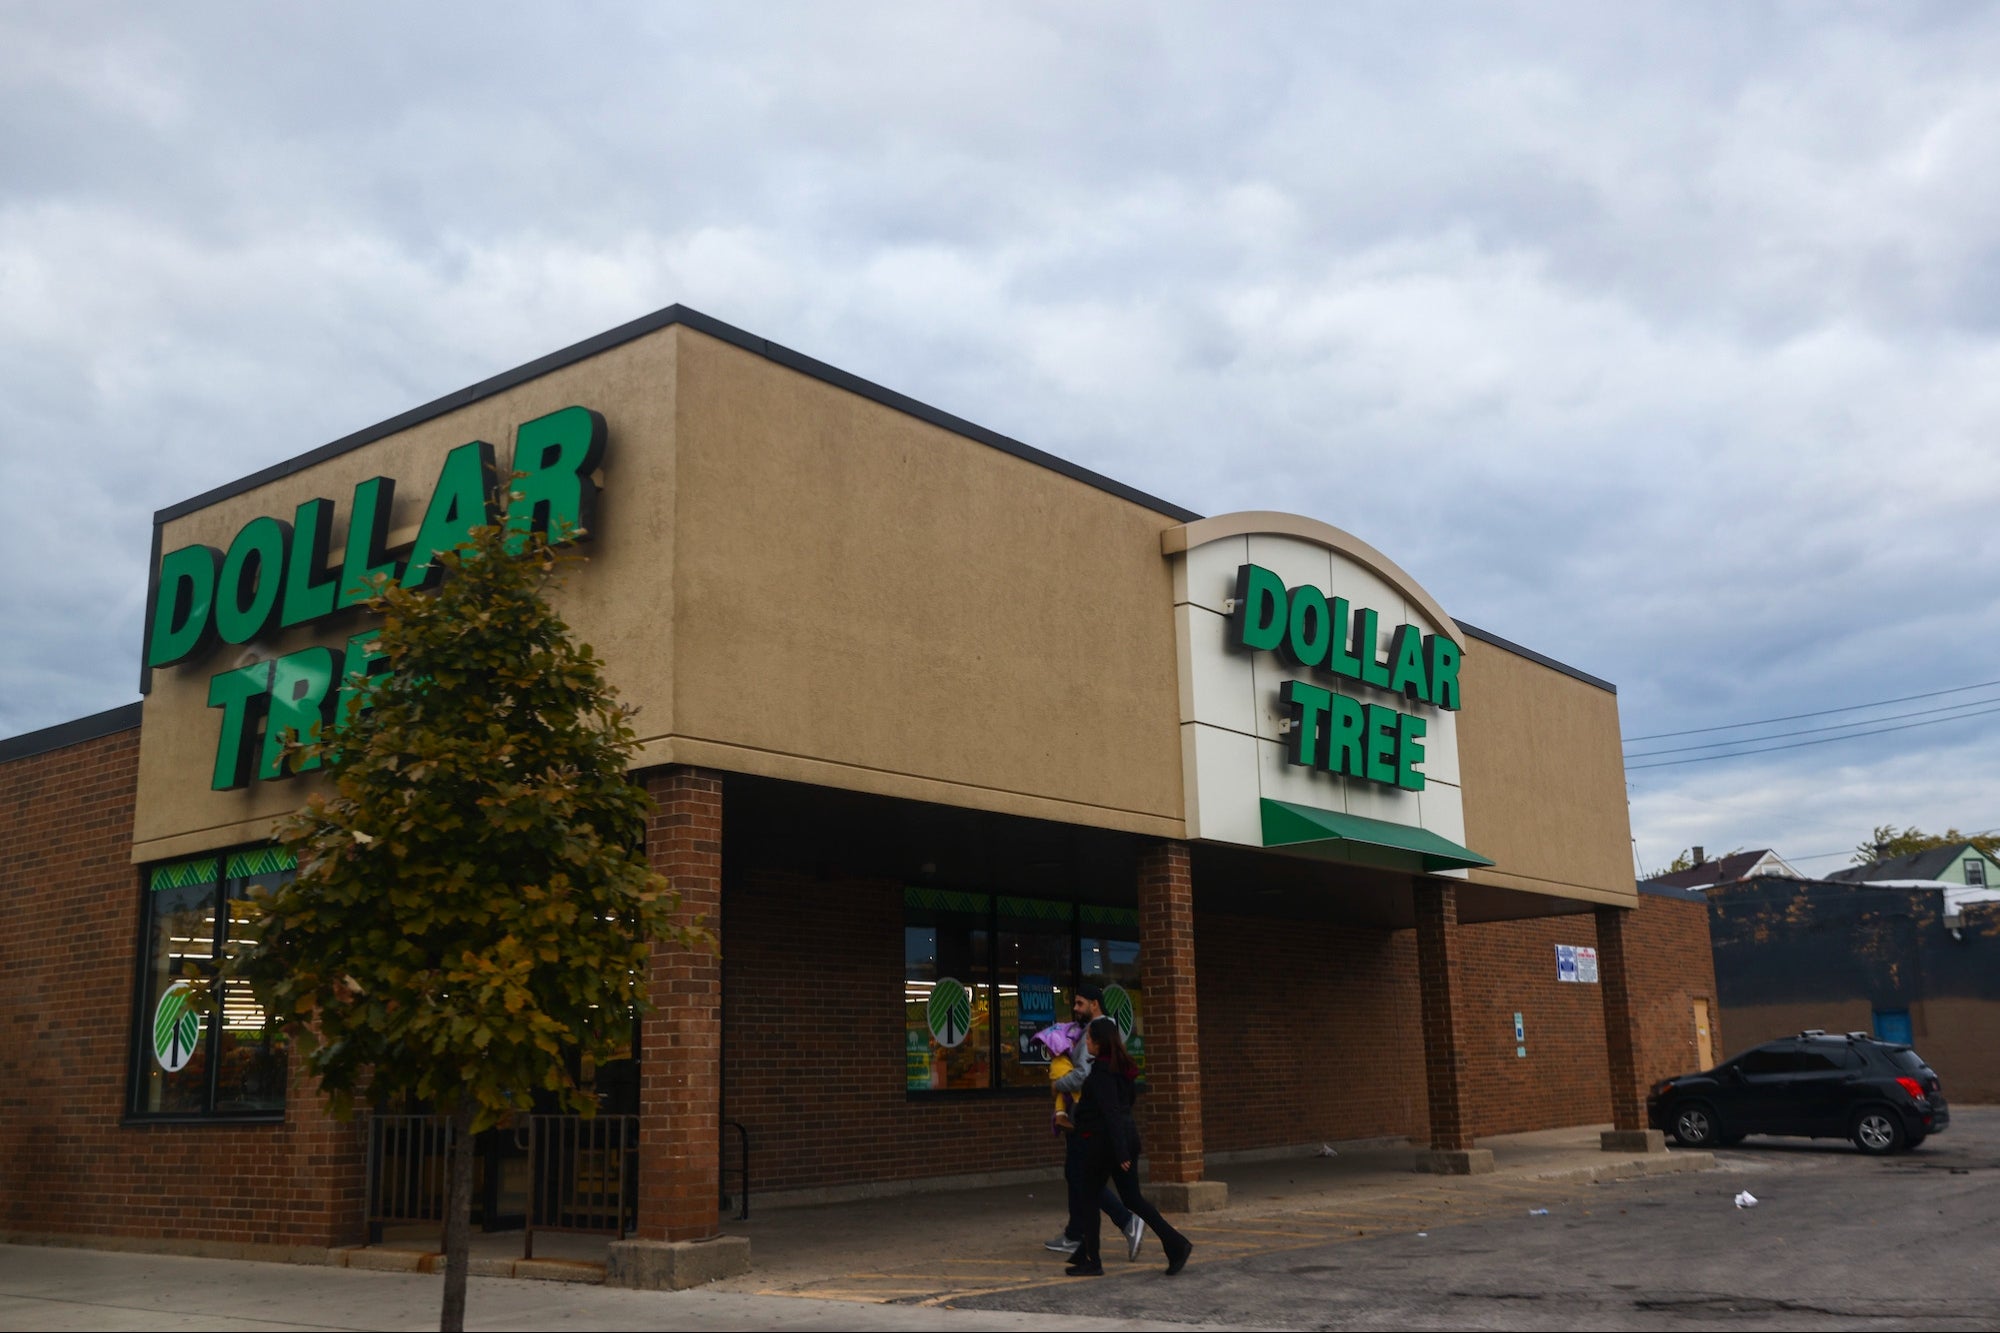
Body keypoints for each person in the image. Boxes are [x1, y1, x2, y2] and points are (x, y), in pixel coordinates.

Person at [1064, 1015, 1193, 1278]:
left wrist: (1119, 1150)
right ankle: (1176, 1243)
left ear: (1099, 1043)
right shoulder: (1122, 1069)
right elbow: (1127, 1105)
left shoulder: (1101, 1073)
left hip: (1105, 1142)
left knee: (1088, 1194)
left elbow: (1111, 1111)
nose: (1086, 1041)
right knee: (1132, 1197)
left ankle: (1092, 1259)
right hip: (1124, 1137)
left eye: (1089, 1038)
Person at [1043, 986, 1144, 1261]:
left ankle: (1125, 1221)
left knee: (1082, 1176)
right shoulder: (1098, 1029)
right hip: (1087, 1115)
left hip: (1090, 1117)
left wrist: (1058, 1084)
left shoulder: (1096, 1033)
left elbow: (1085, 1075)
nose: (1075, 1009)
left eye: (1080, 1003)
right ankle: (1076, 1234)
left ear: (1095, 1005)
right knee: (1076, 1174)